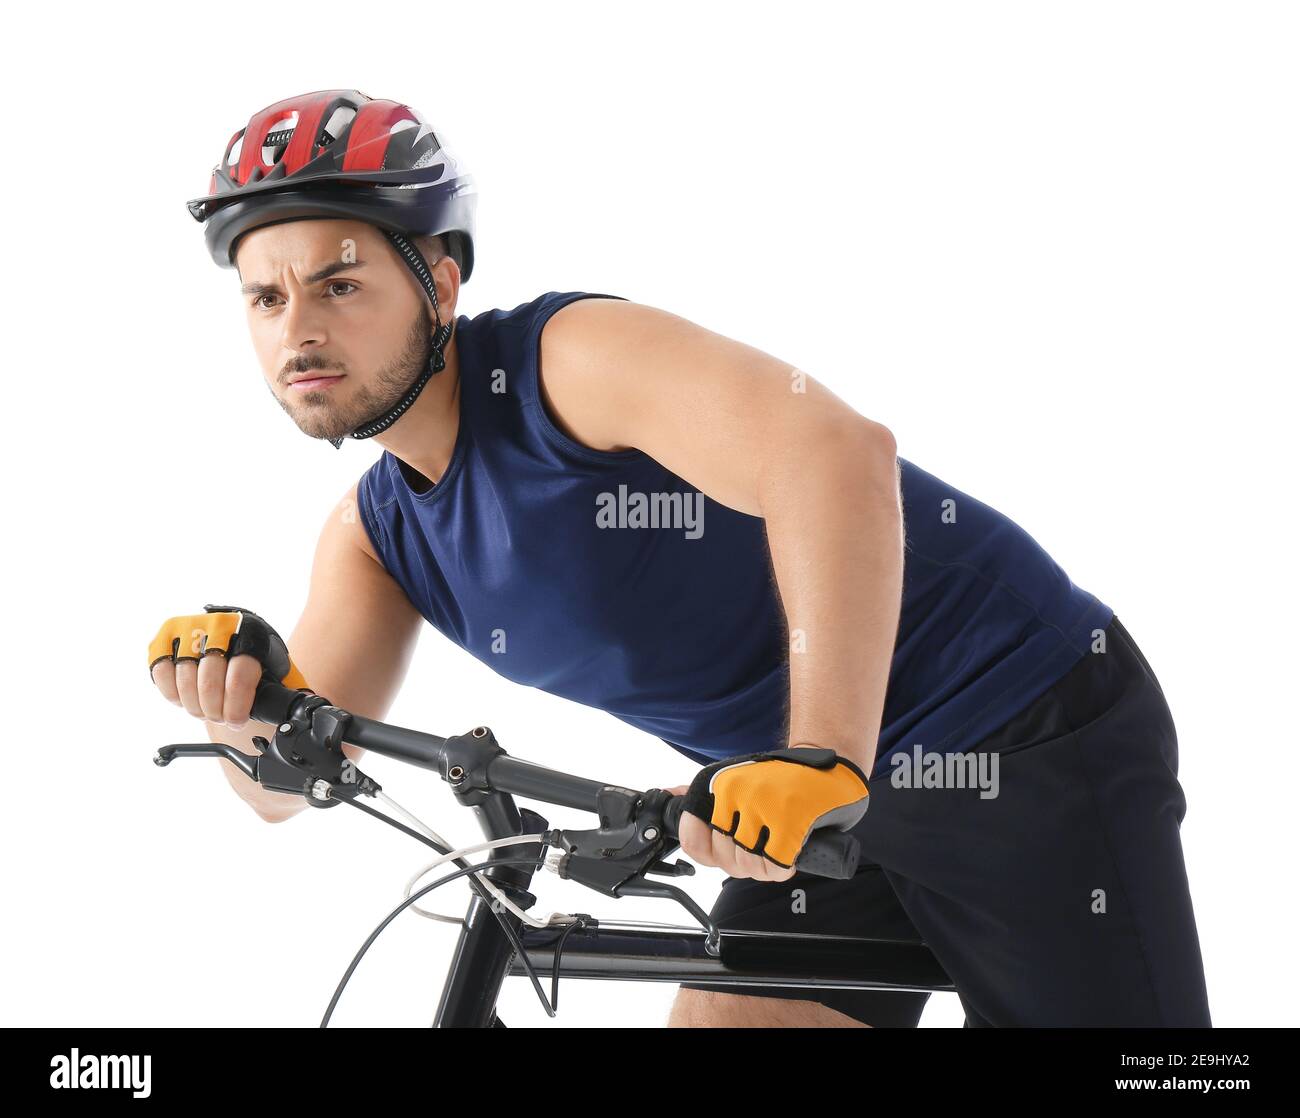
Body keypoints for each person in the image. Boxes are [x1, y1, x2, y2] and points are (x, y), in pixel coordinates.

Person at [148, 88, 1212, 1028]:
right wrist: (235, 690)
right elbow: (286, 783)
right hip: (809, 806)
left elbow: (835, 452)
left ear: (437, 280)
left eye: (338, 284)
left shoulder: (564, 364)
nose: (300, 329)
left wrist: (822, 755)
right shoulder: (375, 535)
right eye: (265, 296)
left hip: (1019, 729)